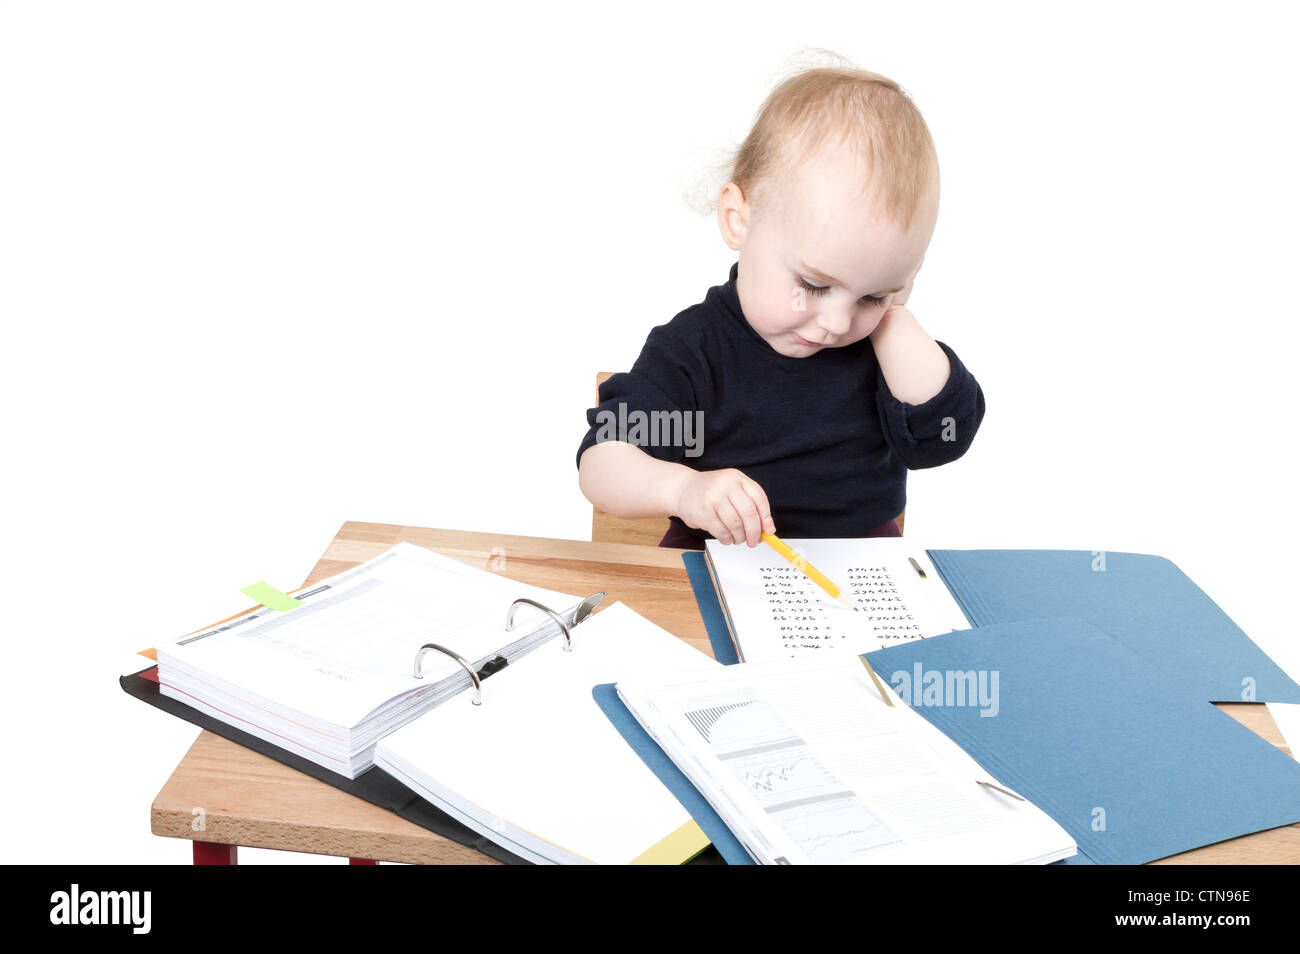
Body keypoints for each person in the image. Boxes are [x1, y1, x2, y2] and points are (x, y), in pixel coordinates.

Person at [576, 59, 985, 551]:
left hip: (859, 575)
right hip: (714, 565)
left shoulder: (881, 351)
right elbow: (603, 461)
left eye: (873, 294)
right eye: (814, 284)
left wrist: (893, 321)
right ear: (737, 221)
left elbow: (945, 437)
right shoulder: (696, 351)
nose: (837, 323)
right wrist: (684, 489)